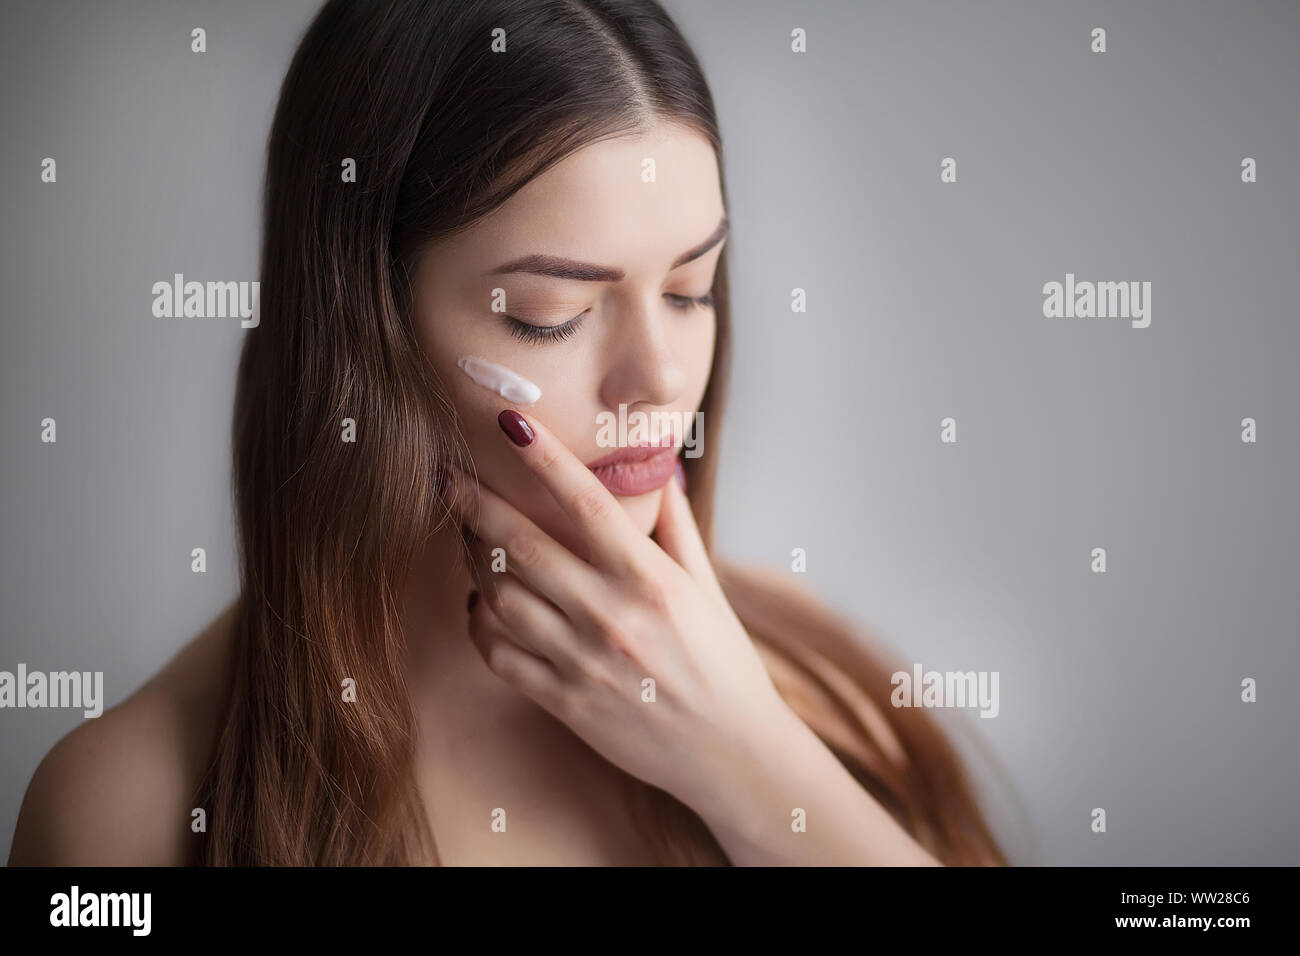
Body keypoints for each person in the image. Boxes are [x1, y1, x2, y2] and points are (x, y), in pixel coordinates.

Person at [9, 0, 1011, 866]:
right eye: (547, 312)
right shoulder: (127, 809)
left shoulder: (819, 687)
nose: (659, 382)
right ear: (365, 324)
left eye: (690, 290)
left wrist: (757, 770)